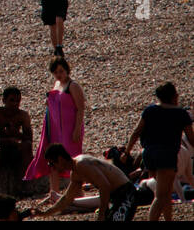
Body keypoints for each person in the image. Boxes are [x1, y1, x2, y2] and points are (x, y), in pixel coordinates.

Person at [124, 82, 194, 221]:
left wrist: (126, 152)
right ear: (175, 96)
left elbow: (136, 132)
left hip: (149, 155)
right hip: (166, 155)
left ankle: (169, 219)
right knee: (161, 196)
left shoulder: (150, 110)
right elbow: (191, 139)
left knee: (166, 191)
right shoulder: (180, 113)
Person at [25, 56, 85, 203]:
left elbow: (81, 108)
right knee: (53, 160)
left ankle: (78, 193)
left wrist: (77, 129)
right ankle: (54, 193)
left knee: (72, 159)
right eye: (56, 72)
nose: (59, 74)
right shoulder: (57, 84)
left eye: (61, 71)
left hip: (70, 128)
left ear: (67, 70)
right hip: (56, 128)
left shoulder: (73, 86)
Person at [31, 147, 140, 221]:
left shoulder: (81, 164)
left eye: (51, 163)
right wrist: (44, 213)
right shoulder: (75, 173)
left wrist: (102, 213)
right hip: (115, 197)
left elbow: (105, 186)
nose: (52, 168)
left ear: (60, 159)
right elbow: (66, 199)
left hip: (126, 193)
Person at [0, 87, 34, 198]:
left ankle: (23, 186)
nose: (15, 104)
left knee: (27, 146)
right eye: (12, 100)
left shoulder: (22, 116)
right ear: (4, 101)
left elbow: (29, 139)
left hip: (14, 149)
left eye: (18, 101)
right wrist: (8, 139)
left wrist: (17, 134)